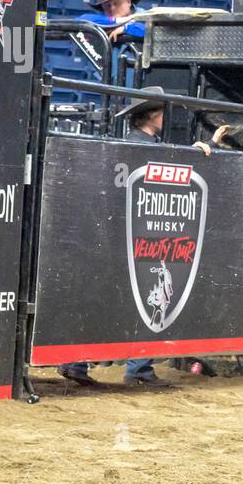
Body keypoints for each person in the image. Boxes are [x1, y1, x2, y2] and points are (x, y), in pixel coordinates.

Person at [59, 88, 195, 388]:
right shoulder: (145, 148)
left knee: (108, 302)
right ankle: (138, 370)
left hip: (118, 235)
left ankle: (76, 361)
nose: (164, 117)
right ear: (152, 115)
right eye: (160, 112)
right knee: (146, 301)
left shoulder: (134, 145)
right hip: (135, 238)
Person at [81, 0, 146, 41]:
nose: (112, 9)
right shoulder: (103, 19)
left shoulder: (144, 15)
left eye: (117, 3)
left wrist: (126, 28)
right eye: (107, 6)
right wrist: (116, 21)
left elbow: (149, 30)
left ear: (128, 2)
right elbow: (81, 20)